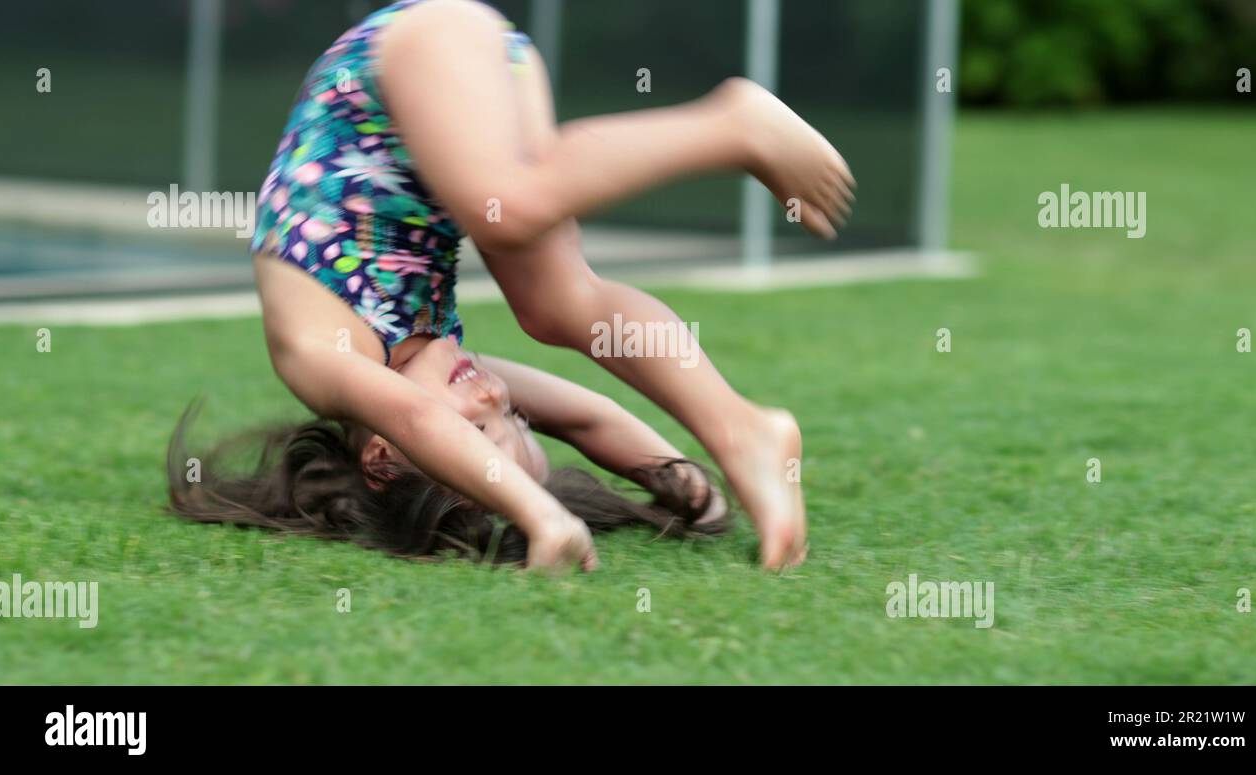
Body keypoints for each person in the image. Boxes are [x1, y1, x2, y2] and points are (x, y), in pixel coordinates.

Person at [214, 0, 853, 571]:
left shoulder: (324, 362)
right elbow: (586, 417)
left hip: (400, 59)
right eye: (517, 418)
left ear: (384, 456)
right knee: (558, 304)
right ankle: (742, 428)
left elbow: (416, 416)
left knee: (509, 205)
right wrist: (692, 491)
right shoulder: (432, 364)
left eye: (487, 433)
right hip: (471, 91)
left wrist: (541, 516)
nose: (498, 396)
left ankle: (732, 125)